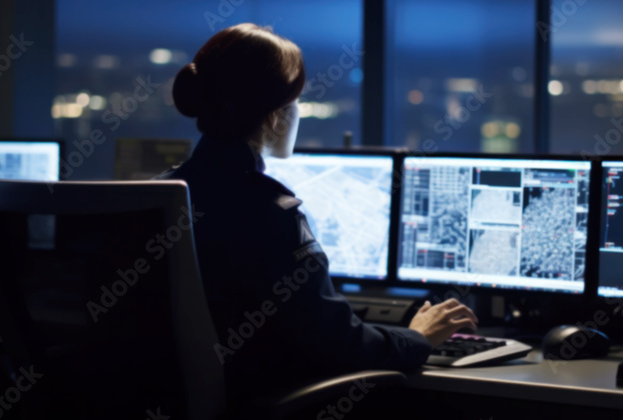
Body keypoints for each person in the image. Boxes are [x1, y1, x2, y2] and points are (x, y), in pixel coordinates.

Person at [157, 23, 479, 409]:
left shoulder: (161, 196)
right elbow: (340, 347)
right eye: (295, 102)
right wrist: (419, 338)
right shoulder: (269, 213)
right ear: (275, 115)